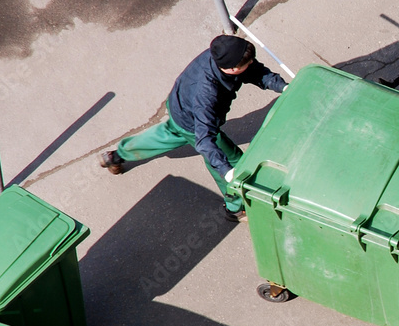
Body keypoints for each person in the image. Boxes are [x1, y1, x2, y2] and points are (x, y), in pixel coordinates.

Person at [100, 35, 286, 222]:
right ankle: (235, 207)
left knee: (168, 133)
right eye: (247, 62)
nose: (252, 63)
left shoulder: (225, 54)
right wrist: (226, 170)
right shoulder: (207, 93)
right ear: (232, 69)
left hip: (180, 106)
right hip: (193, 121)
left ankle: (116, 156)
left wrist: (283, 87)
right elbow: (205, 139)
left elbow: (255, 71)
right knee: (232, 161)